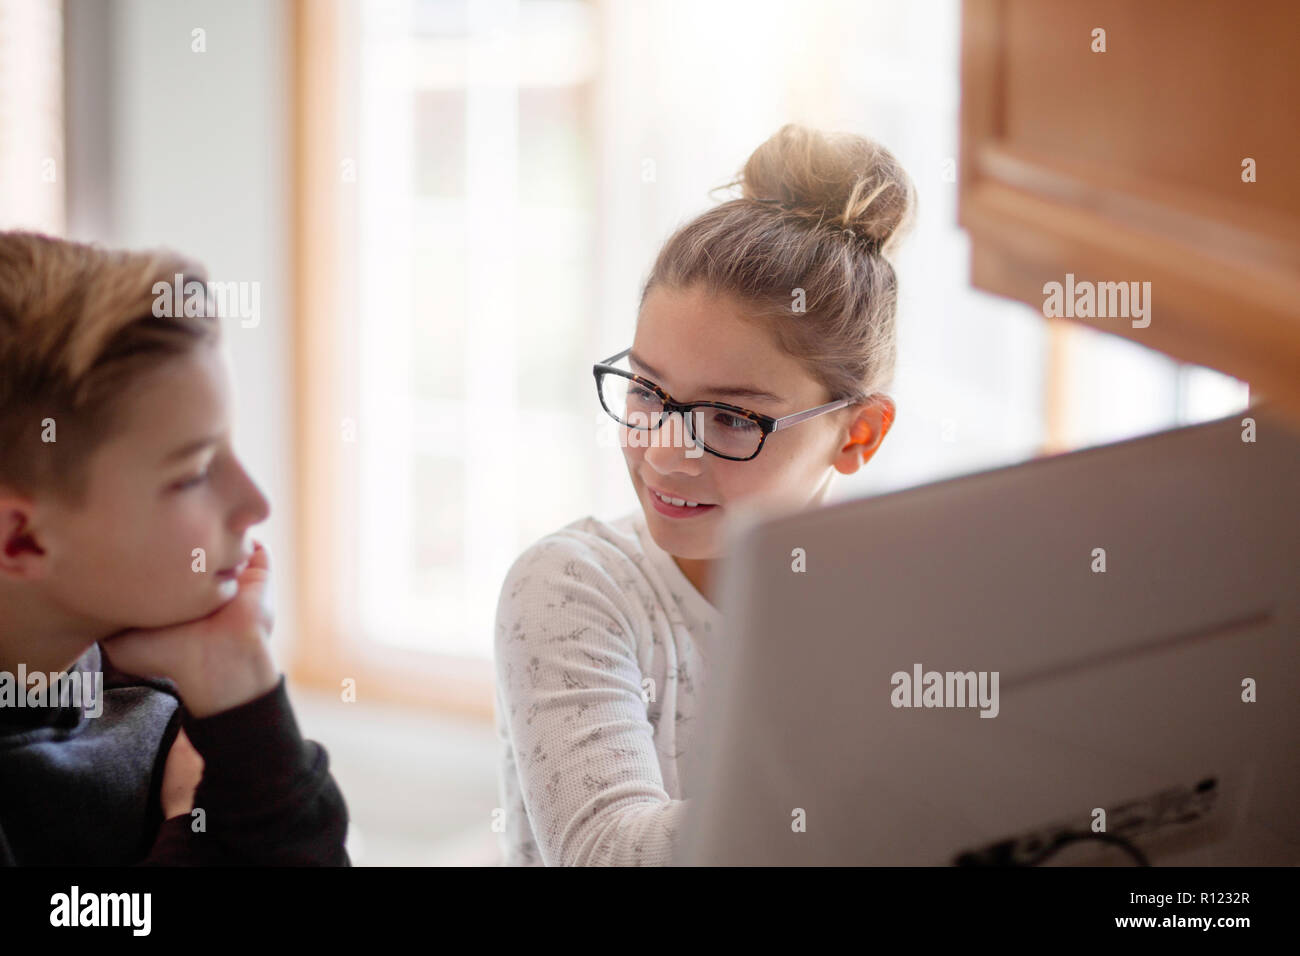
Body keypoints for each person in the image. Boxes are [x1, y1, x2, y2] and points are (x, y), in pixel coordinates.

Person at [493, 123, 915, 865]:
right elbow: (608, 854)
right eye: (649, 393)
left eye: (728, 417)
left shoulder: (897, 606)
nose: (664, 451)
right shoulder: (573, 587)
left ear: (858, 436)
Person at [0, 231, 349, 865]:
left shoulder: (162, 661)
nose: (256, 503)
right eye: (192, 473)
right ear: (19, 538)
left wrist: (240, 683)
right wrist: (195, 825)